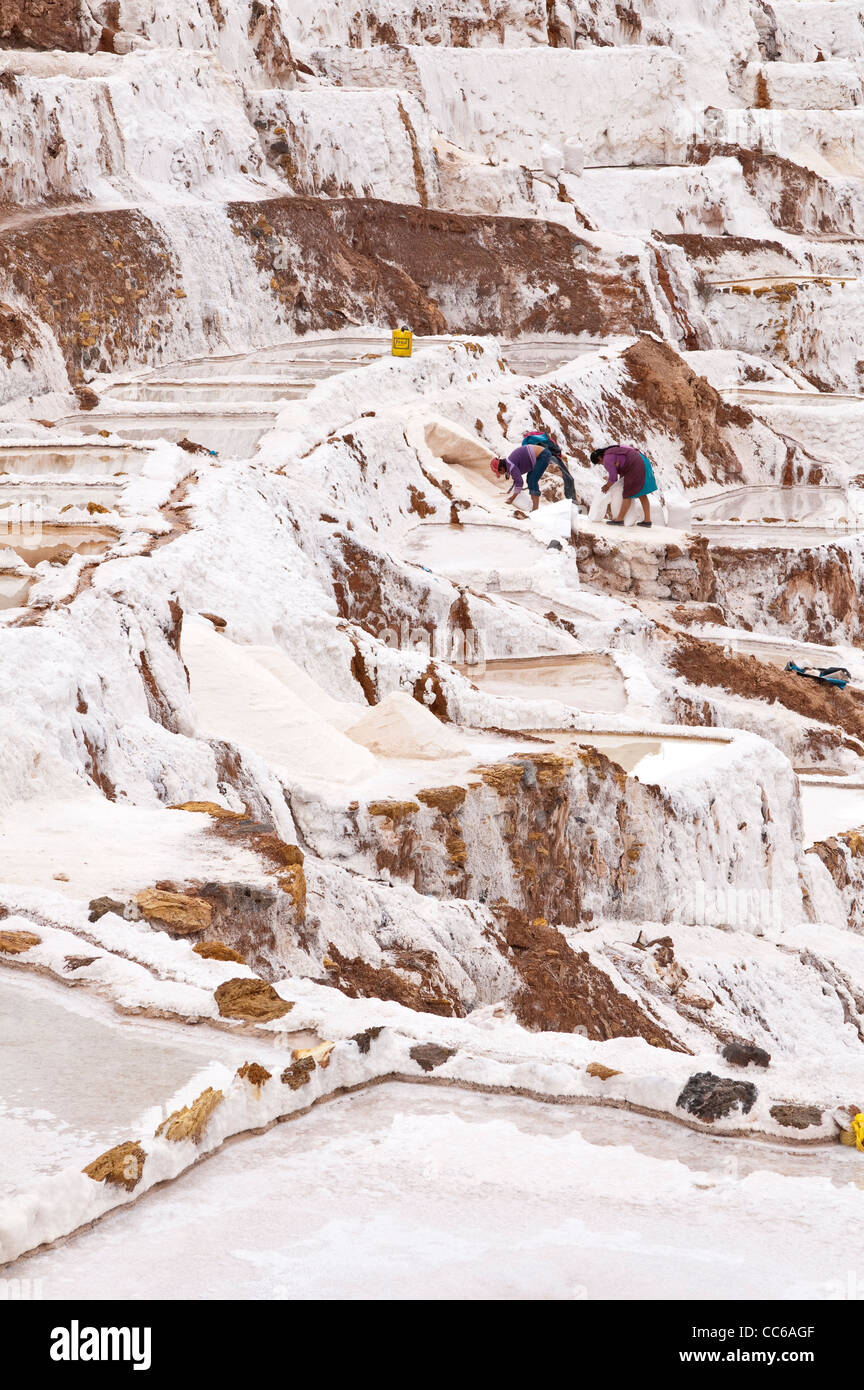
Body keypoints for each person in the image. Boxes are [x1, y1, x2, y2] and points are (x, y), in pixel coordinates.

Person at [490, 431, 576, 511]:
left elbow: (519, 482)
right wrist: (510, 491)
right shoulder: (509, 463)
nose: (501, 474)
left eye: (499, 472)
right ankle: (535, 508)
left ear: (501, 468)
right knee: (530, 479)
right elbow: (516, 479)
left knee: (532, 480)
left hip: (543, 455)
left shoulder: (511, 465)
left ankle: (535, 509)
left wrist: (512, 499)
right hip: (541, 456)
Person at [590, 444, 658, 527]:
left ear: (599, 458)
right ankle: (647, 521)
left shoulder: (607, 458)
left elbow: (613, 477)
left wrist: (607, 486)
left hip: (635, 465)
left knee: (627, 494)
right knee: (642, 494)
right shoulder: (613, 449)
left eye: (600, 463)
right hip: (643, 461)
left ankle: (619, 519)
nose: (602, 464)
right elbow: (623, 462)